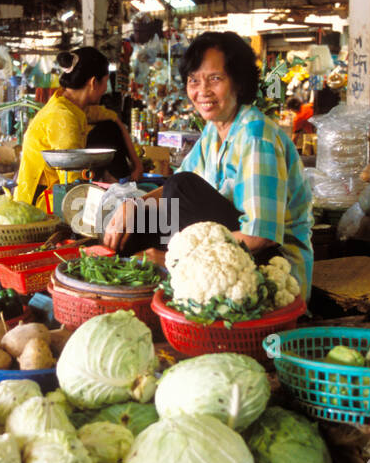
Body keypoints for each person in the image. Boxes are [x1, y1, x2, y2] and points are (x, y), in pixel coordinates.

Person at [103, 31, 314, 294]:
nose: (202, 91)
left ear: (238, 82)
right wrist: (133, 205)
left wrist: (178, 257)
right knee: (138, 224)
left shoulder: (256, 138)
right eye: (194, 80)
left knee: (180, 189)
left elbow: (260, 237)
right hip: (228, 252)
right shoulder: (215, 131)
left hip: (274, 269)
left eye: (215, 79)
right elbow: (173, 190)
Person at [14, 47, 142, 209]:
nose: (105, 90)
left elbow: (114, 120)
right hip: (41, 202)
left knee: (108, 129)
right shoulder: (63, 117)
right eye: (105, 82)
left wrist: (137, 165)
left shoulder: (73, 105)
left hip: (57, 192)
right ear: (93, 83)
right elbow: (72, 185)